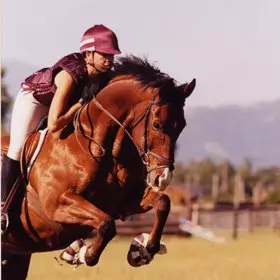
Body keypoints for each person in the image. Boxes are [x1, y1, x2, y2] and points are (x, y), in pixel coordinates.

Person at [1, 24, 121, 234]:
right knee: (18, 148)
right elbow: (55, 124)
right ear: (89, 53)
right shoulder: (70, 75)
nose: (109, 59)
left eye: (112, 55)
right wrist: (79, 105)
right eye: (105, 54)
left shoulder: (103, 75)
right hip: (36, 101)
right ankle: (3, 208)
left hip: (62, 107)